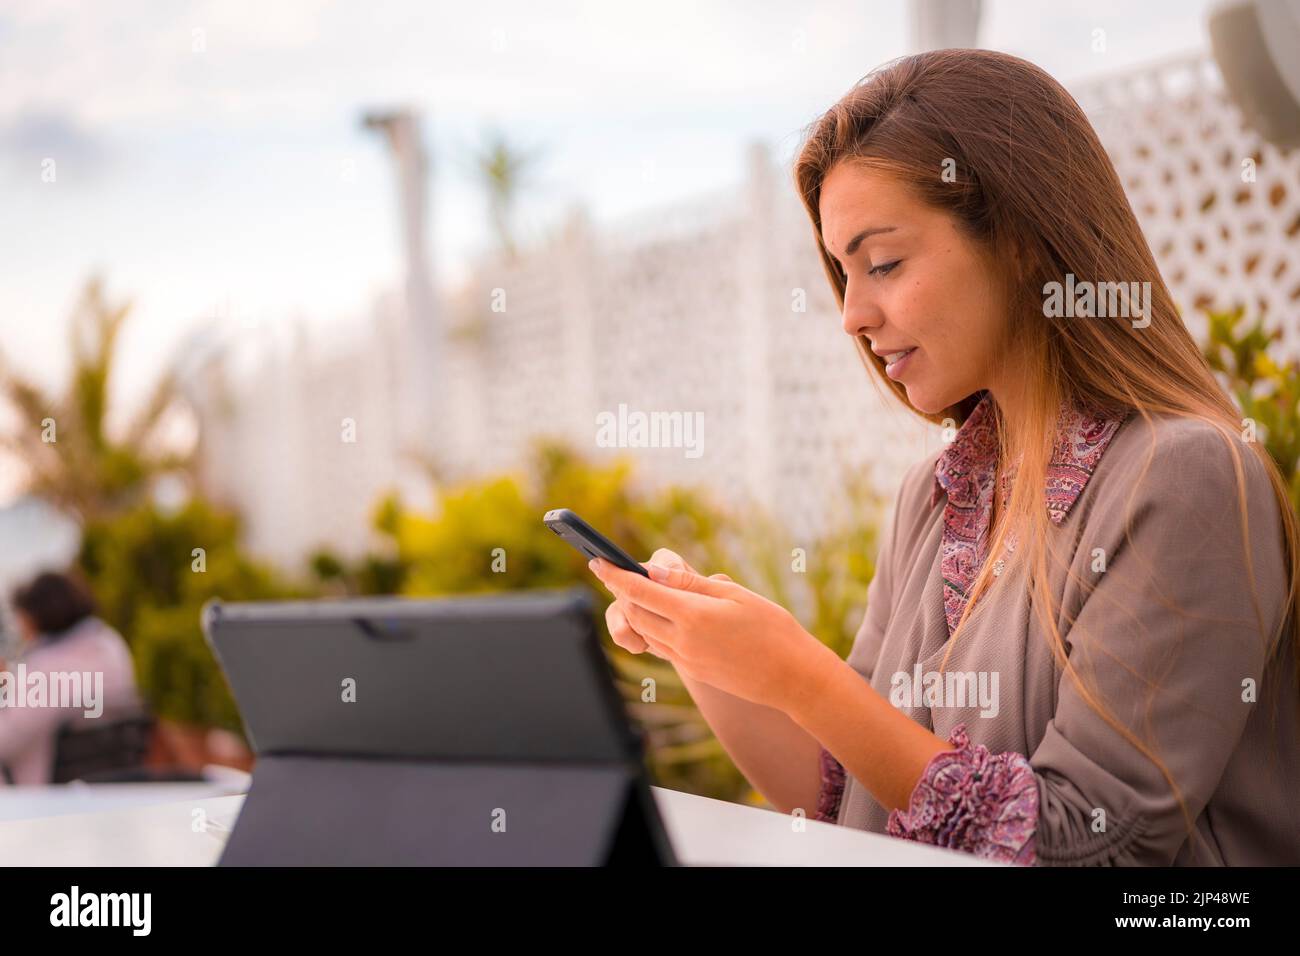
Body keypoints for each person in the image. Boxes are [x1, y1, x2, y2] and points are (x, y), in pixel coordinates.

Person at [589, 48, 1300, 866]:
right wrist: (706, 653)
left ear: (1024, 242)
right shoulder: (933, 497)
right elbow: (841, 794)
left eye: (883, 262)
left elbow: (1092, 847)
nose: (852, 313)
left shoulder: (1184, 477)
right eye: (842, 272)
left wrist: (801, 678)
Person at [1, 571, 143, 784]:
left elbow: (7, 739)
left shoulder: (49, 668)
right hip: (106, 784)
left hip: (41, 794)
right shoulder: (110, 643)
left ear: (36, 617)